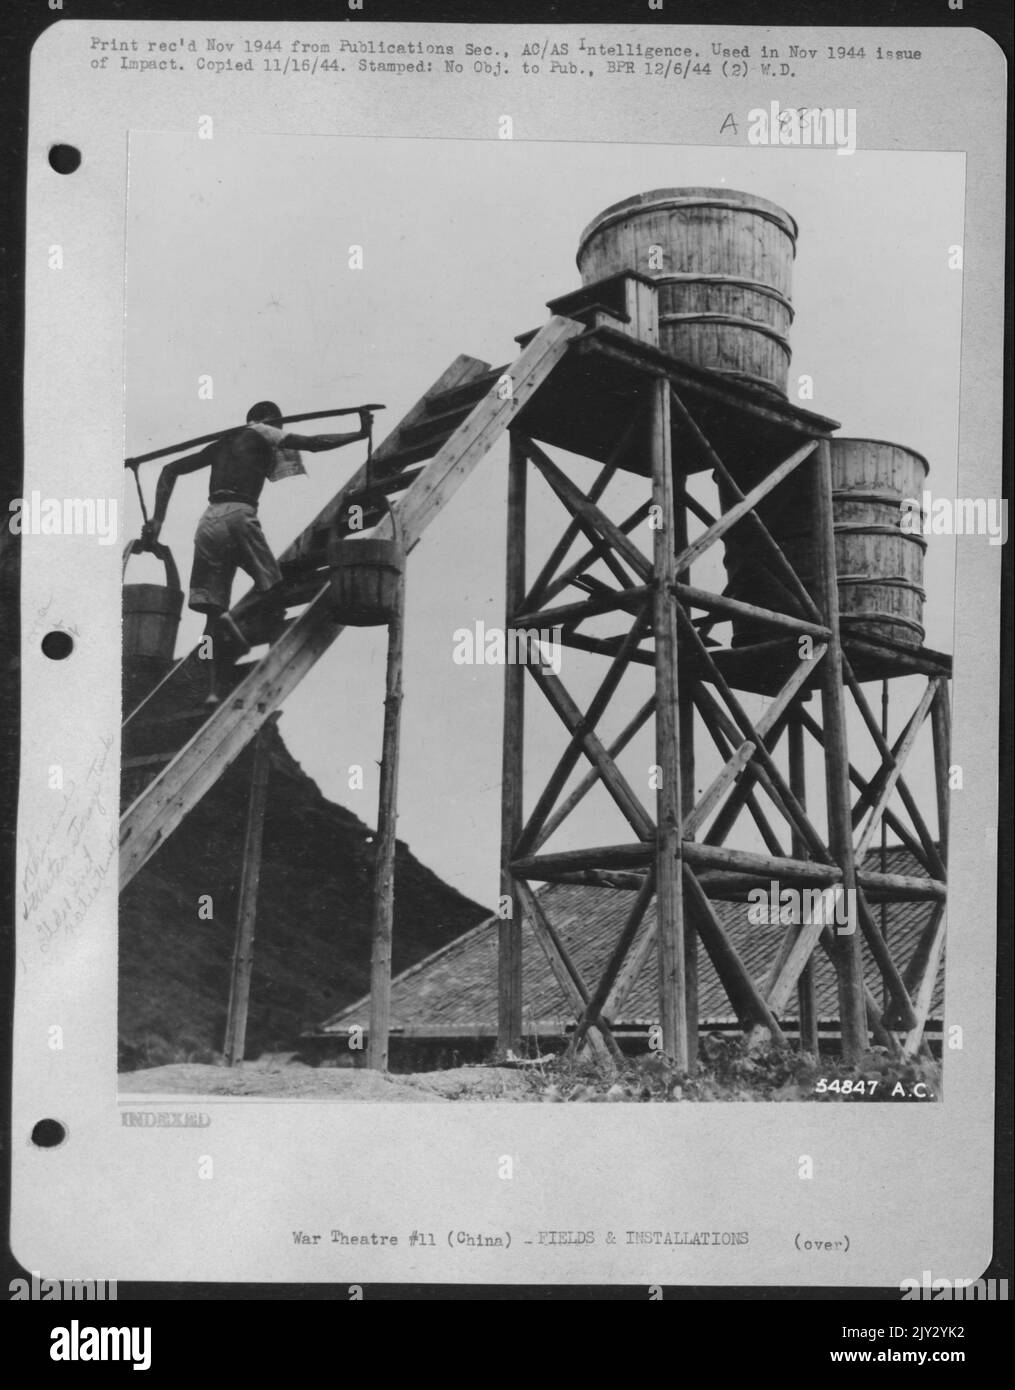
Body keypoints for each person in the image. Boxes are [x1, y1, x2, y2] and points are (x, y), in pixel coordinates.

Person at [143, 401, 372, 702]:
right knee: (273, 587)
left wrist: (158, 519)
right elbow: (316, 444)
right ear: (268, 421)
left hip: (209, 522)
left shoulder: (223, 443)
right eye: (278, 425)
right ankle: (236, 621)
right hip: (240, 515)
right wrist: (360, 433)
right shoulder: (264, 432)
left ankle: (212, 690)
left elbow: (169, 469)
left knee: (212, 614)